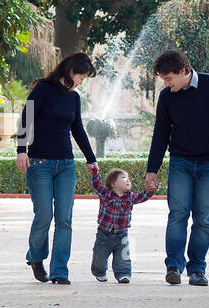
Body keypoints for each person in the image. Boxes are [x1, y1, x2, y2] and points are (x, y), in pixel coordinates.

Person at [143, 49, 209, 286]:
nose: (167, 83)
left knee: (203, 219)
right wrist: (151, 169)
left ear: (183, 71)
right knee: (178, 215)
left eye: (169, 78)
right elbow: (160, 134)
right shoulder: (167, 96)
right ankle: (173, 266)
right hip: (180, 162)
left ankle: (197, 270)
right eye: (164, 79)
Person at [16, 52, 97, 285]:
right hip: (39, 163)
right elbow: (26, 119)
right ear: (71, 71)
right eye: (82, 76)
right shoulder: (42, 90)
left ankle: (60, 271)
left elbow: (78, 130)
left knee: (65, 219)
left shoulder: (74, 98)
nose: (82, 81)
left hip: (66, 165)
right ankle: (36, 257)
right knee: (44, 215)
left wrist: (91, 159)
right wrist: (21, 150)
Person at [85, 163, 155, 283]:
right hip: (103, 234)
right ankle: (100, 272)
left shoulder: (131, 197)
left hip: (122, 234)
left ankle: (123, 274)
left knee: (123, 257)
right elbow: (97, 185)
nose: (127, 180)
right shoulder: (106, 193)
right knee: (99, 257)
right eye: (123, 178)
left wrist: (150, 190)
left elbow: (142, 196)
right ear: (113, 183)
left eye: (128, 178)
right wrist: (95, 172)